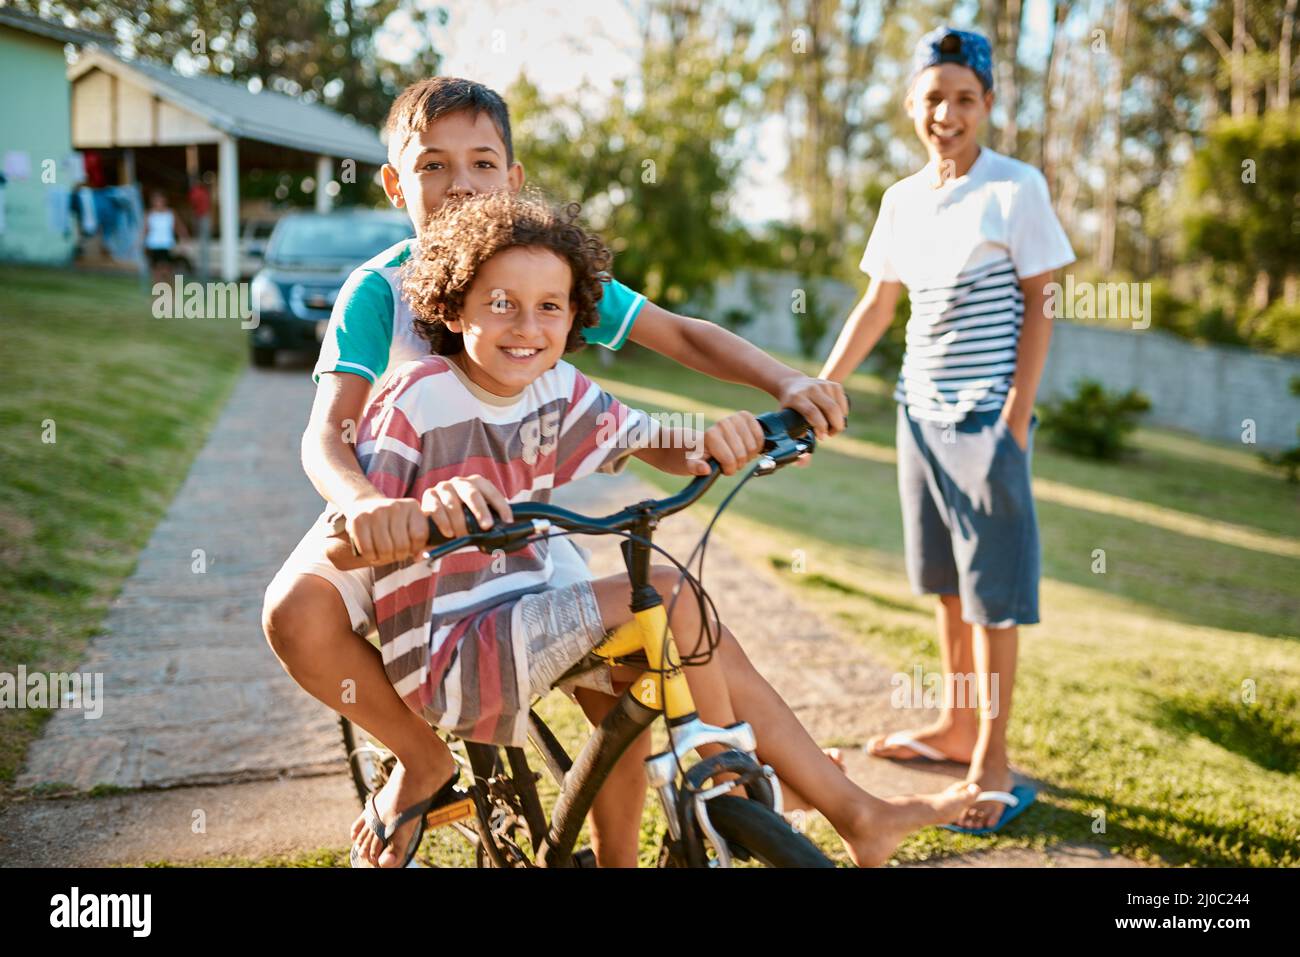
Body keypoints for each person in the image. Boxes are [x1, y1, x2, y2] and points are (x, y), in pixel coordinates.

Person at [261, 77, 850, 867]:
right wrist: (367, 504)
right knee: (296, 610)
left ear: (513, 177)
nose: (461, 183)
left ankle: (672, 813)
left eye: (481, 163)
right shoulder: (383, 293)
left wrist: (778, 390)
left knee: (622, 671)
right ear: (397, 183)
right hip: (396, 499)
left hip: (513, 525)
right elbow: (328, 433)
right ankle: (420, 759)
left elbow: (671, 355)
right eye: (433, 166)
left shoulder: (536, 278)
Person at [322, 190, 980, 867]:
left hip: (522, 608)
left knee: (652, 658)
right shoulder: (414, 398)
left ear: (576, 315)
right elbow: (347, 538)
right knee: (671, 593)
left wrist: (723, 436)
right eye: (500, 303)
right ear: (455, 306)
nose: (527, 325)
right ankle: (730, 774)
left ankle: (756, 799)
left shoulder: (556, 388)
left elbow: (650, 439)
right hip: (452, 653)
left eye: (550, 305)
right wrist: (413, 514)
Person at [818, 26, 1075, 834]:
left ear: (988, 105)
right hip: (917, 415)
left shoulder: (1014, 188)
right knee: (944, 586)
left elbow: (1043, 301)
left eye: (965, 98)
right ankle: (957, 723)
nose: (948, 112)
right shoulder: (901, 199)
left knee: (994, 596)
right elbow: (878, 305)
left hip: (984, 420)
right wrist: (820, 385)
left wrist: (1015, 416)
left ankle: (991, 757)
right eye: (934, 97)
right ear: (912, 105)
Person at [141, 190, 187, 283]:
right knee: (156, 270)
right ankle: (157, 293)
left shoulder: (171, 213)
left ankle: (170, 291)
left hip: (167, 244)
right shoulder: (149, 214)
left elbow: (179, 228)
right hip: (153, 244)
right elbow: (145, 230)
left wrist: (184, 240)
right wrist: (140, 242)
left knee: (167, 269)